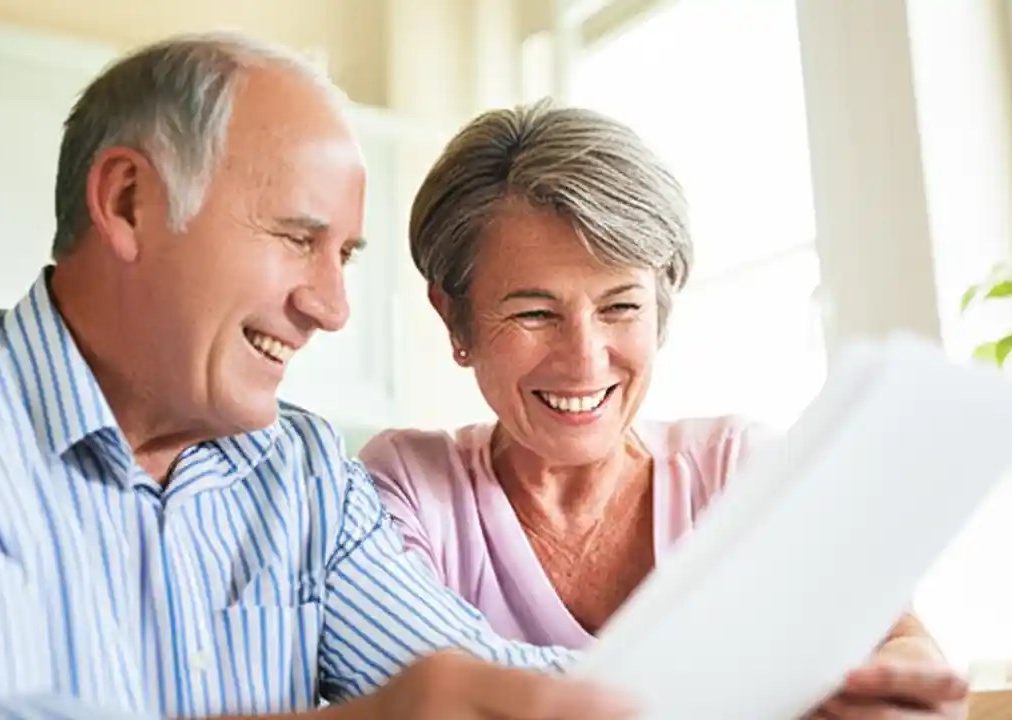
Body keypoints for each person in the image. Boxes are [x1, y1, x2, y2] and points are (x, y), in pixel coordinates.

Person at [0, 35, 640, 720]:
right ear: (129, 202)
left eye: (343, 256)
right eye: (297, 238)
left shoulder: (303, 472)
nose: (330, 307)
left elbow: (492, 684)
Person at [359, 100, 970, 720]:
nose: (584, 360)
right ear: (454, 317)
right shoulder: (409, 488)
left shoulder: (737, 469)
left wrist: (906, 684)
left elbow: (896, 638)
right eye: (535, 313)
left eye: (620, 307)